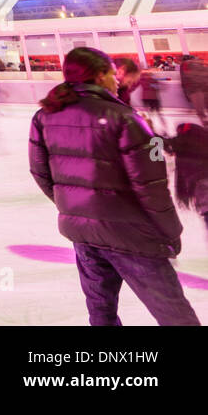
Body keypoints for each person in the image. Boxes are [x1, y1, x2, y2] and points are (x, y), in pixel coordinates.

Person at [29, 46, 199, 326]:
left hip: (84, 235)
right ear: (98, 76)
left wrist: (77, 206)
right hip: (132, 236)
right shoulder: (125, 118)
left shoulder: (45, 115)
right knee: (175, 316)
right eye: (111, 72)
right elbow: (151, 185)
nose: (117, 79)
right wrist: (171, 231)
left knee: (101, 314)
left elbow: (40, 172)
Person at [179, 54, 208, 125]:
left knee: (200, 108)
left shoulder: (184, 65)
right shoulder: (197, 64)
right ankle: (205, 122)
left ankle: (205, 123)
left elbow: (184, 79)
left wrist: (186, 92)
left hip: (194, 89)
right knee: (201, 107)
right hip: (200, 88)